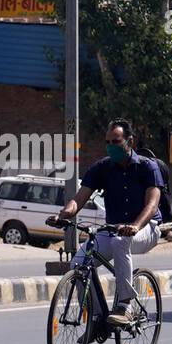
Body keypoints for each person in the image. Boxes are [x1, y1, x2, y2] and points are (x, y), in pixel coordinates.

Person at [54, 119, 160, 326]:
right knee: (78, 263)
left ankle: (125, 306)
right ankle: (96, 316)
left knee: (120, 242)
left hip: (147, 228)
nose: (111, 146)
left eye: (116, 141)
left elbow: (152, 205)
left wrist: (136, 226)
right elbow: (78, 199)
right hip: (113, 229)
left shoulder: (148, 167)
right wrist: (63, 215)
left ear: (130, 142)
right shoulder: (101, 168)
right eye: (108, 142)